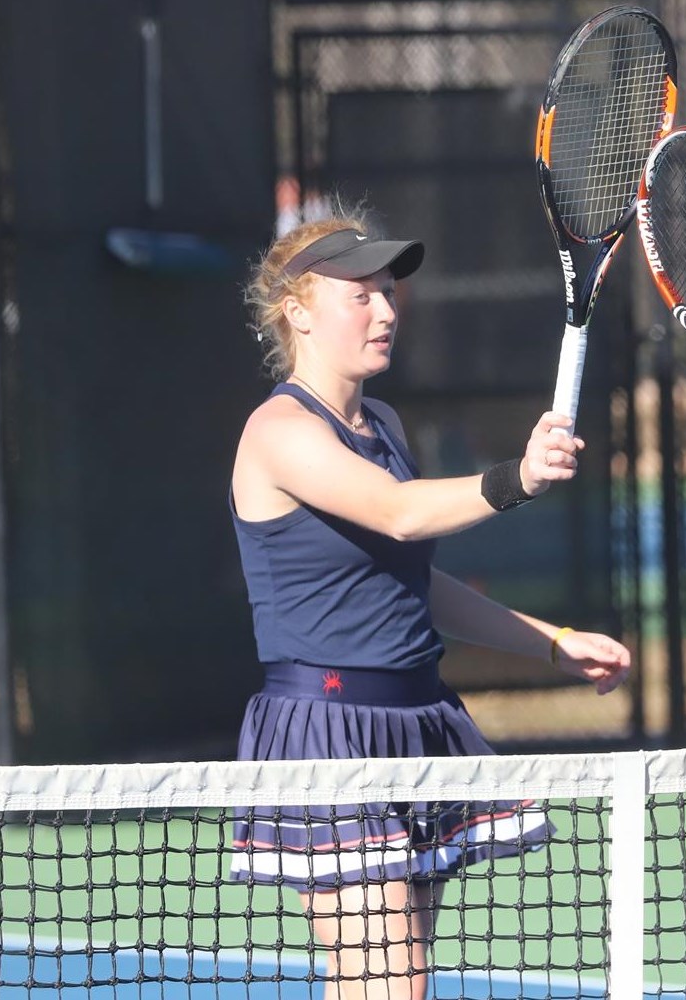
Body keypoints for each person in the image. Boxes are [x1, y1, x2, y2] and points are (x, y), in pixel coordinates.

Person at [228, 211, 632, 1000]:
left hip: (415, 721)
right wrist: (518, 477)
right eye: (361, 295)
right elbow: (399, 514)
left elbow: (414, 581)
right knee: (392, 984)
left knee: (383, 986)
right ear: (298, 311)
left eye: (388, 292)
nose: (385, 311)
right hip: (326, 732)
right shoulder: (277, 431)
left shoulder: (382, 423)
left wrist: (551, 641)